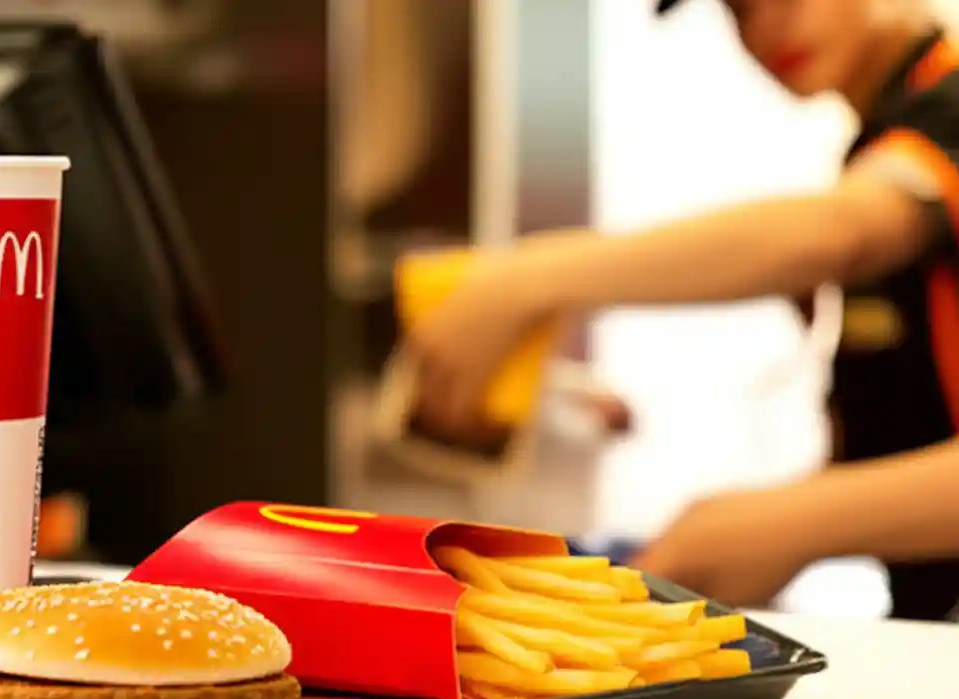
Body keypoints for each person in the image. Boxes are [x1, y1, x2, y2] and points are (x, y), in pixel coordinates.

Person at [408, 0, 959, 620]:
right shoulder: (882, 141)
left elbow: (845, 231)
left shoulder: (946, 111)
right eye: (739, 10)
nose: (769, 27)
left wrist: (520, 280)